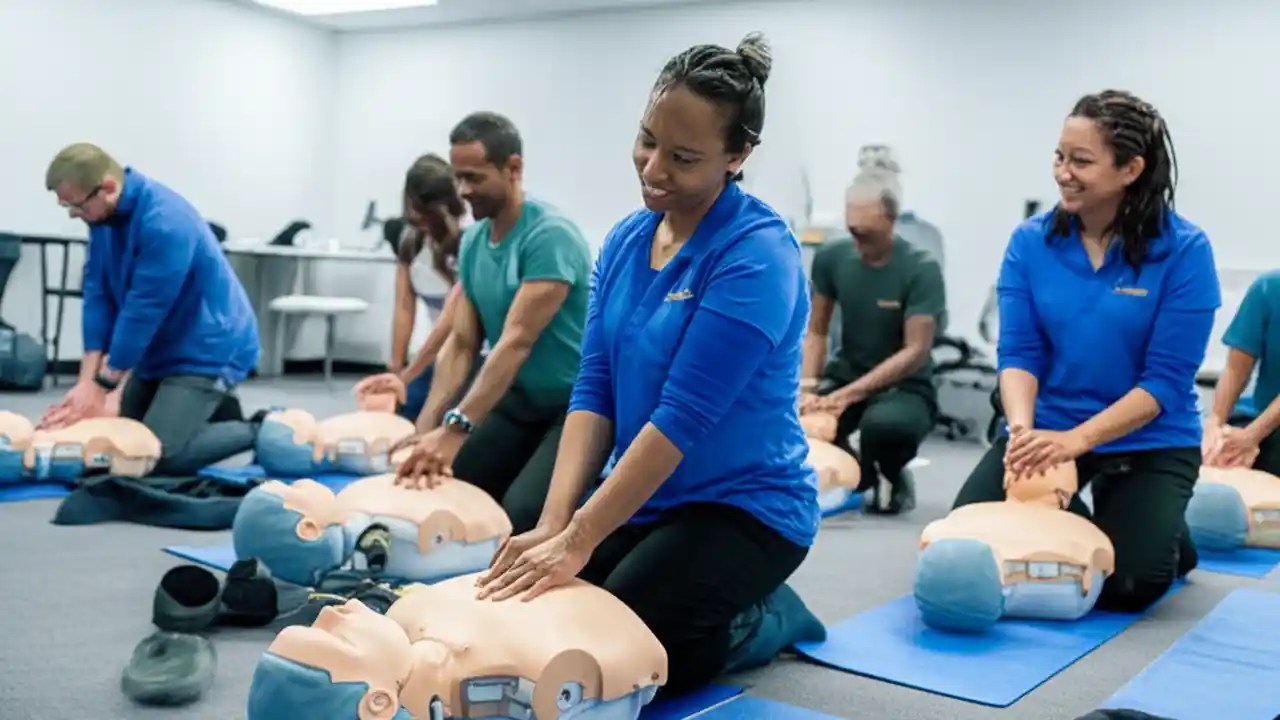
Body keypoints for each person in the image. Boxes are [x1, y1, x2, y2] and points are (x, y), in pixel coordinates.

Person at [473, 33, 820, 697]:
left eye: (683, 157)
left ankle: (761, 616)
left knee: (625, 652)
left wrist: (580, 537)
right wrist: (555, 524)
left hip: (745, 506)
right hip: (651, 495)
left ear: (737, 156)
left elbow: (681, 418)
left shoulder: (757, 256)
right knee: (551, 610)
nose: (653, 168)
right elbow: (595, 386)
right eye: (647, 140)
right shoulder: (629, 239)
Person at [952, 89, 1221, 612]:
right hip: (1046, 428)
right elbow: (1019, 353)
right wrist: (1023, 433)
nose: (1062, 172)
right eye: (1059, 156)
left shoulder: (1185, 250)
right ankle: (1129, 521)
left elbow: (1165, 382)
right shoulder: (1030, 242)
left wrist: (1076, 442)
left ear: (1130, 169)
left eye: (1081, 160)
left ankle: (1162, 531)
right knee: (975, 542)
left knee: (1129, 585)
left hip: (1147, 439)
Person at [395, 112, 593, 535]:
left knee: (520, 515)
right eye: (458, 178)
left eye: (475, 178)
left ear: (513, 168)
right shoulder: (473, 242)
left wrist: (457, 426)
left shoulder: (549, 236)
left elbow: (516, 341)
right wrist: (427, 426)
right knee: (450, 481)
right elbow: (463, 344)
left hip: (574, 406)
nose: (464, 191)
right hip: (518, 398)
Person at [39, 143, 261, 476]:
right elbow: (98, 292)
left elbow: (142, 310)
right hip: (160, 346)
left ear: (108, 189)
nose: (73, 215)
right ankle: (210, 411)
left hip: (209, 348)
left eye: (76, 206)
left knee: (157, 457)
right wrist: (86, 385)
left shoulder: (166, 222)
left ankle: (261, 427)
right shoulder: (103, 218)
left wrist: (102, 385)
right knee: (123, 441)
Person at [798, 168, 946, 514]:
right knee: (793, 421)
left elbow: (915, 351)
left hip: (905, 386)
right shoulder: (832, 258)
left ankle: (892, 471)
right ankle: (862, 475)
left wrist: (844, 397)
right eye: (854, 232)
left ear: (892, 222)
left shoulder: (921, 268)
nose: (860, 243)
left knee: (884, 428)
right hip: (846, 373)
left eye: (870, 234)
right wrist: (808, 389)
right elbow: (816, 331)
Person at [355, 154, 474, 427]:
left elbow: (453, 322)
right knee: (398, 411)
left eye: (427, 213)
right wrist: (395, 369)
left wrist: (409, 375)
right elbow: (404, 307)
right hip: (433, 353)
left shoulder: (470, 241)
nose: (420, 219)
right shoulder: (409, 240)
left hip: (468, 352)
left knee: (439, 421)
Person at [1202, 269, 1280, 474]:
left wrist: (1251, 437)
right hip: (1256, 417)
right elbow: (1235, 370)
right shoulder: (1268, 288)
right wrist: (1214, 423)